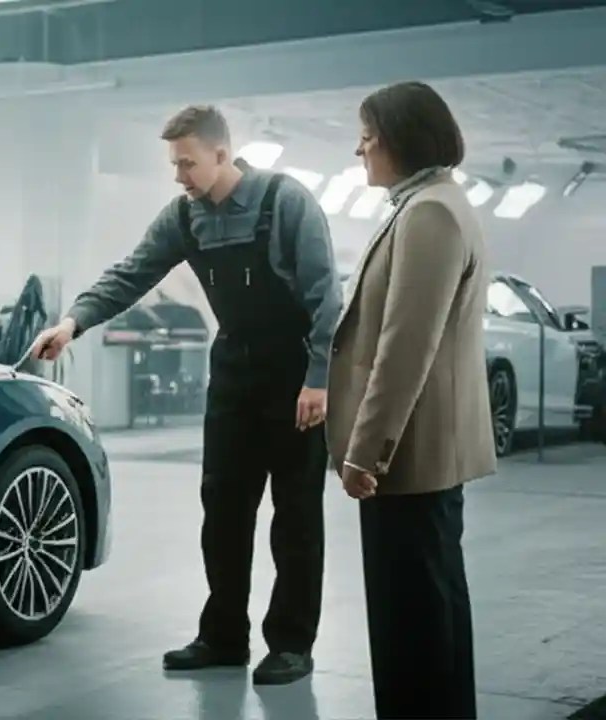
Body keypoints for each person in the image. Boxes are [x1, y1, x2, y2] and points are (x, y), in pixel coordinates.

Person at [30, 105, 343, 686]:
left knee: (295, 514)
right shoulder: (185, 215)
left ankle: (292, 643)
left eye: (187, 163)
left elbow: (328, 297)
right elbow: (132, 273)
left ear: (222, 155)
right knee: (222, 507)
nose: (179, 175)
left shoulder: (286, 203)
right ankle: (223, 635)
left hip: (295, 372)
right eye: (174, 163)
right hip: (232, 372)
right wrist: (74, 322)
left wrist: (320, 379)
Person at [325, 81, 495, 719]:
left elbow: (406, 347)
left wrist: (367, 451)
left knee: (411, 621)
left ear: (401, 140)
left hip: (410, 455)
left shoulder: (429, 212)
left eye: (368, 138)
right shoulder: (433, 202)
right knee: (433, 607)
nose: (359, 150)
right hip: (427, 452)